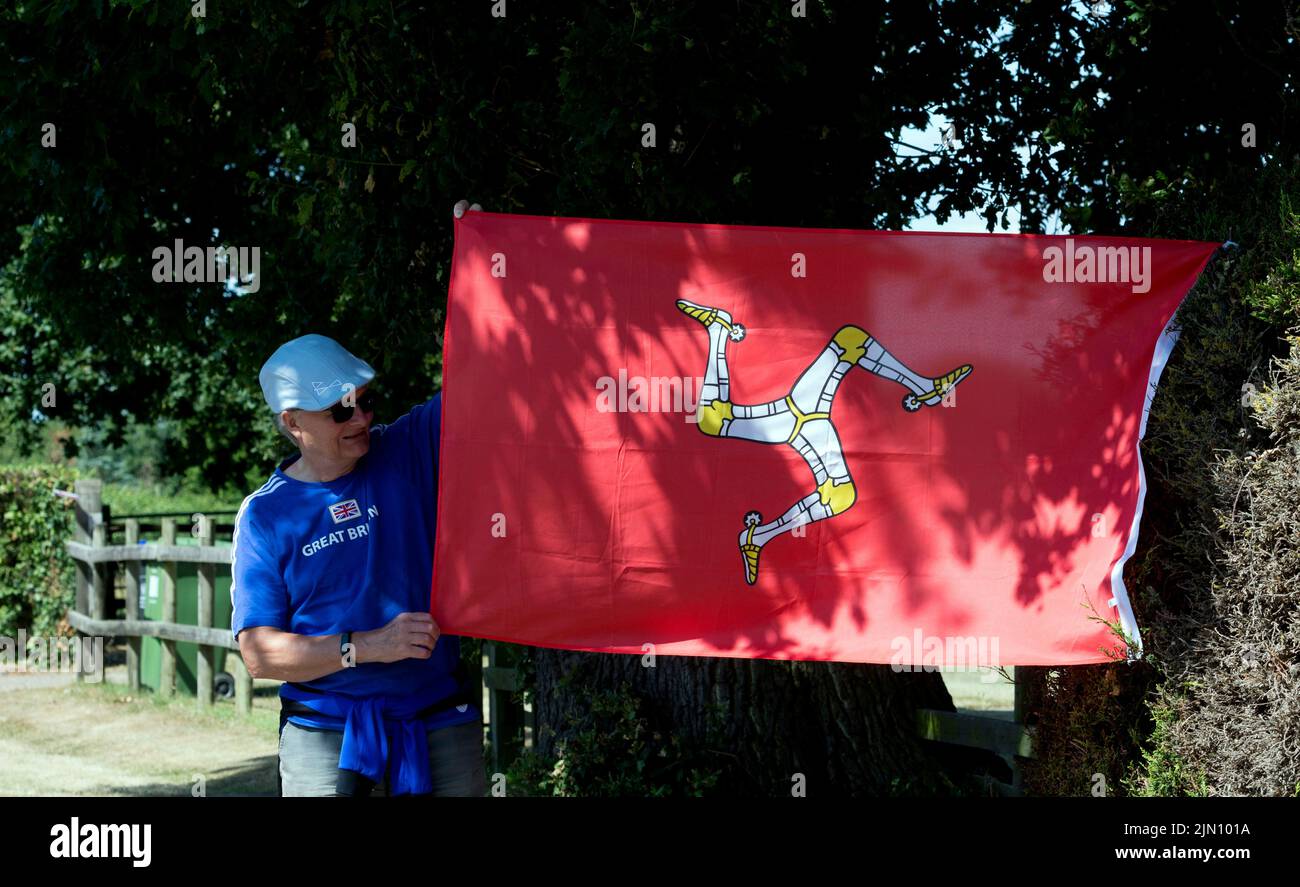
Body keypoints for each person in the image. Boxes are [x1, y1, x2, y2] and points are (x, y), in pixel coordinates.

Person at [231, 200, 485, 796]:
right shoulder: (265, 516)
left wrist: (486, 258)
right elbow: (262, 655)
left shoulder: (405, 448)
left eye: (365, 399)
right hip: (326, 736)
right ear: (293, 423)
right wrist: (366, 647)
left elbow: (483, 377)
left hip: (438, 723)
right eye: (340, 408)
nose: (361, 416)